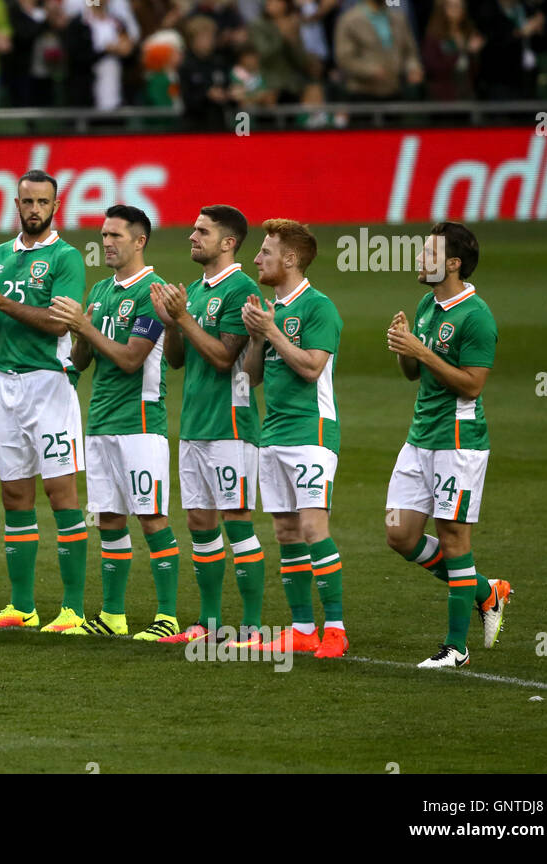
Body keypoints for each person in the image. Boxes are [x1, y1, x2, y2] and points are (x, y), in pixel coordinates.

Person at [0, 169, 88, 632]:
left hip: (49, 384)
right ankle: (22, 606)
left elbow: (58, 323)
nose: (34, 210)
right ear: (16, 204)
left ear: (55, 206)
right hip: (6, 385)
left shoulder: (67, 258)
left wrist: (1, 303)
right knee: (14, 493)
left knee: (60, 491)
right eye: (26, 202)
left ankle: (72, 609)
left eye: (42, 203)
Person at [384, 222, 510, 668]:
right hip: (419, 439)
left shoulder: (477, 317)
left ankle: (456, 648)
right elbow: (413, 375)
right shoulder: (426, 304)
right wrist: (405, 347)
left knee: (454, 540)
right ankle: (485, 591)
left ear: (452, 264)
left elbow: (472, 386)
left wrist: (421, 351)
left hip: (458, 445)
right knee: (399, 534)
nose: (419, 259)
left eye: (428, 253)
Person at [48, 205, 175, 637]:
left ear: (140, 241)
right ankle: (113, 615)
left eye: (116, 236)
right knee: (109, 518)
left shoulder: (152, 293)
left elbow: (130, 359)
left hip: (140, 423)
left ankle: (167, 616)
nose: (106, 242)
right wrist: (75, 331)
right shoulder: (101, 290)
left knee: (152, 517)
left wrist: (85, 324)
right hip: (100, 422)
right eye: (104, 235)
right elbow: (83, 359)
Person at [155, 205, 266, 645]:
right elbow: (178, 360)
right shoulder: (197, 292)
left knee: (237, 521)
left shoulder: (241, 288)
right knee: (200, 523)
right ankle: (210, 624)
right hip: (195, 426)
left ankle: (254, 628)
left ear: (228, 242)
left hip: (231, 427)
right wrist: (171, 324)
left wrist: (182, 318)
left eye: (202, 231)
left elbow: (224, 360)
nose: (191, 236)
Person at [240, 218, 348, 658]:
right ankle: (303, 628)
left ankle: (336, 629)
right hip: (273, 434)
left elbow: (310, 367)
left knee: (311, 526)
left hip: (311, 432)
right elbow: (251, 377)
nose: (256, 259)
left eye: (265, 252)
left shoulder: (319, 307)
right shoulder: (273, 311)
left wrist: (270, 333)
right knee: (286, 531)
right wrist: (255, 338)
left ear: (290, 259)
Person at [333, 0, 423, 101]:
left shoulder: (398, 18)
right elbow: (344, 58)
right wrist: (370, 71)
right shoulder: (349, 20)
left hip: (395, 90)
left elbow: (410, 51)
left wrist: (412, 68)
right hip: (362, 93)